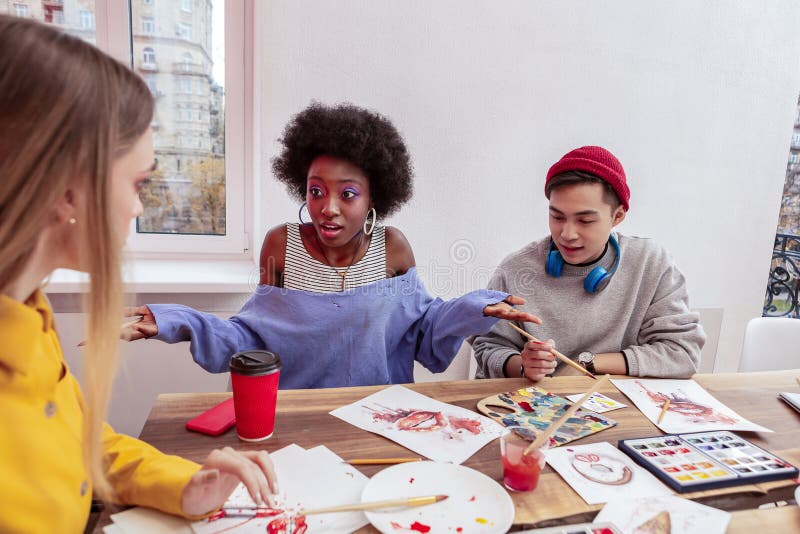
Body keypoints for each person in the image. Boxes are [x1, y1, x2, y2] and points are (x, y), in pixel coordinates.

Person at [0, 16, 277, 532]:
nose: (136, 209)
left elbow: (85, 442)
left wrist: (185, 485)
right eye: (139, 184)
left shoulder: (27, 314)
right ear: (66, 191)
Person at [125, 103, 540, 388]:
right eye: (316, 191)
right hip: (296, 417)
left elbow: (423, 331)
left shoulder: (392, 249)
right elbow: (250, 339)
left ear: (374, 196)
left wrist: (473, 308)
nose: (328, 209)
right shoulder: (280, 245)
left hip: (382, 416)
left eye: (348, 194)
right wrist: (177, 321)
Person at [473, 146, 705, 381]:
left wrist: (586, 364)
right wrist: (524, 366)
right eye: (557, 217)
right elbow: (488, 348)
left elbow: (682, 352)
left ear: (617, 216)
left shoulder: (650, 262)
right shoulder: (515, 269)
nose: (567, 234)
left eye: (585, 220)